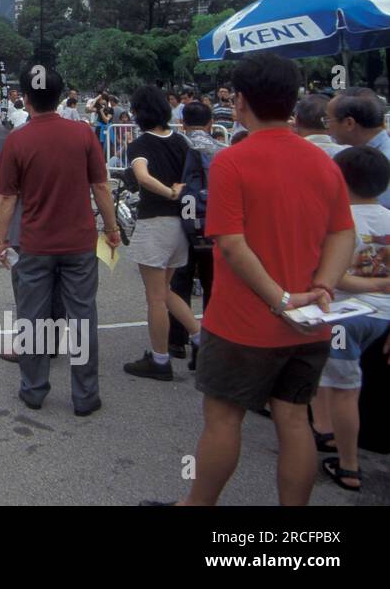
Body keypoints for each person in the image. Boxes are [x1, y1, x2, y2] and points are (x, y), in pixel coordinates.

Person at [165, 53, 354, 507]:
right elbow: (343, 232)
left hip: (243, 323)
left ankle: (198, 505)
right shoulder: (324, 163)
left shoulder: (233, 161)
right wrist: (322, 289)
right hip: (311, 321)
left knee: (224, 419)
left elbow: (231, 243)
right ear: (294, 101)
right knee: (293, 420)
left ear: (241, 101)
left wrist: (281, 298)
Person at [0, 64, 120, 416]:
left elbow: (7, 198)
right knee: (82, 317)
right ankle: (85, 396)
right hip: (79, 243)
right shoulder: (82, 134)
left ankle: (34, 390)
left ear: (25, 98)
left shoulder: (16, 140)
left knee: (32, 318)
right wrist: (112, 230)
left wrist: (2, 239)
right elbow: (100, 187)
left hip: (34, 245)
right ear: (61, 95)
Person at [309, 146, 390, 492]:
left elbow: (332, 276)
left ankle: (348, 465)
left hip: (346, 317)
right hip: (384, 315)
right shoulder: (387, 217)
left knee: (344, 389)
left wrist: (374, 283)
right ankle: (326, 431)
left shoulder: (339, 223)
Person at [123, 86, 201, 380]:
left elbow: (142, 176)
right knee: (166, 292)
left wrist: (168, 192)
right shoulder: (180, 141)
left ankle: (159, 359)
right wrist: (178, 192)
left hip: (155, 223)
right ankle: (199, 337)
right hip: (180, 226)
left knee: (155, 297)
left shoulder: (141, 144)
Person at [168, 102, 224, 360]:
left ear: (183, 124)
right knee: (213, 284)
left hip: (183, 221)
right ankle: (212, 341)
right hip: (214, 223)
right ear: (211, 122)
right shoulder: (220, 149)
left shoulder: (179, 146)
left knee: (180, 280)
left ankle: (177, 340)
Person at [325, 88, 390, 208]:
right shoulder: (355, 155)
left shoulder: (384, 161)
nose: (326, 127)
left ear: (349, 123)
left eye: (328, 120)